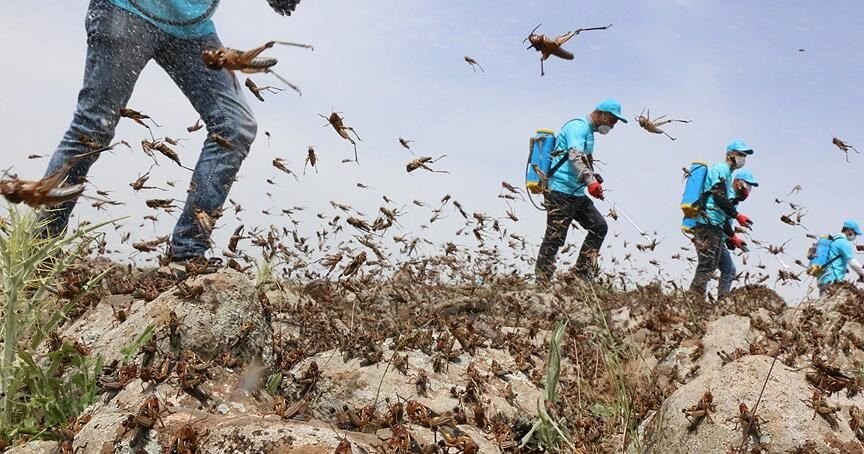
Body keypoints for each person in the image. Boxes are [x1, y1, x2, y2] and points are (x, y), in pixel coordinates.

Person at [36, 0, 300, 277]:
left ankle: (187, 253)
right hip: (126, 10)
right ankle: (39, 250)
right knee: (92, 128)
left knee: (235, 126)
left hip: (191, 27)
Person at [534, 98, 627, 283]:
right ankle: (542, 281)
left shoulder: (590, 133)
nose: (613, 125)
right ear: (601, 113)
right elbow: (574, 156)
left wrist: (593, 177)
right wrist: (590, 181)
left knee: (599, 227)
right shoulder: (579, 127)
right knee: (555, 236)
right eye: (612, 120)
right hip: (559, 190)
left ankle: (580, 275)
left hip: (575, 193)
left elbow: (583, 162)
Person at [688, 140, 755, 300]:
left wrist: (732, 237)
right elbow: (718, 196)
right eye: (740, 154)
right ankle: (693, 300)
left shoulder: (727, 173)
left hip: (714, 225)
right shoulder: (721, 169)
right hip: (707, 223)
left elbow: (722, 212)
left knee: (716, 266)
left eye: (744, 155)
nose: (742, 158)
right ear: (730, 153)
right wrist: (737, 216)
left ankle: (705, 300)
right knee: (707, 266)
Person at [717, 169, 759, 299]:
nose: (747, 191)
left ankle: (722, 301)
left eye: (750, 188)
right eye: (746, 186)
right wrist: (733, 235)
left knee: (729, 270)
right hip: (712, 234)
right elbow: (719, 218)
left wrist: (731, 239)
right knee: (708, 267)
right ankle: (697, 298)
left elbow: (725, 223)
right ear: (736, 182)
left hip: (720, 237)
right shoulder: (728, 196)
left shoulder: (733, 200)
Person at [817, 220, 864, 295]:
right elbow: (853, 263)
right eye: (855, 233)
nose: (855, 236)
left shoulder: (833, 240)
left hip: (823, 279)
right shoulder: (843, 242)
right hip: (832, 280)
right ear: (849, 230)